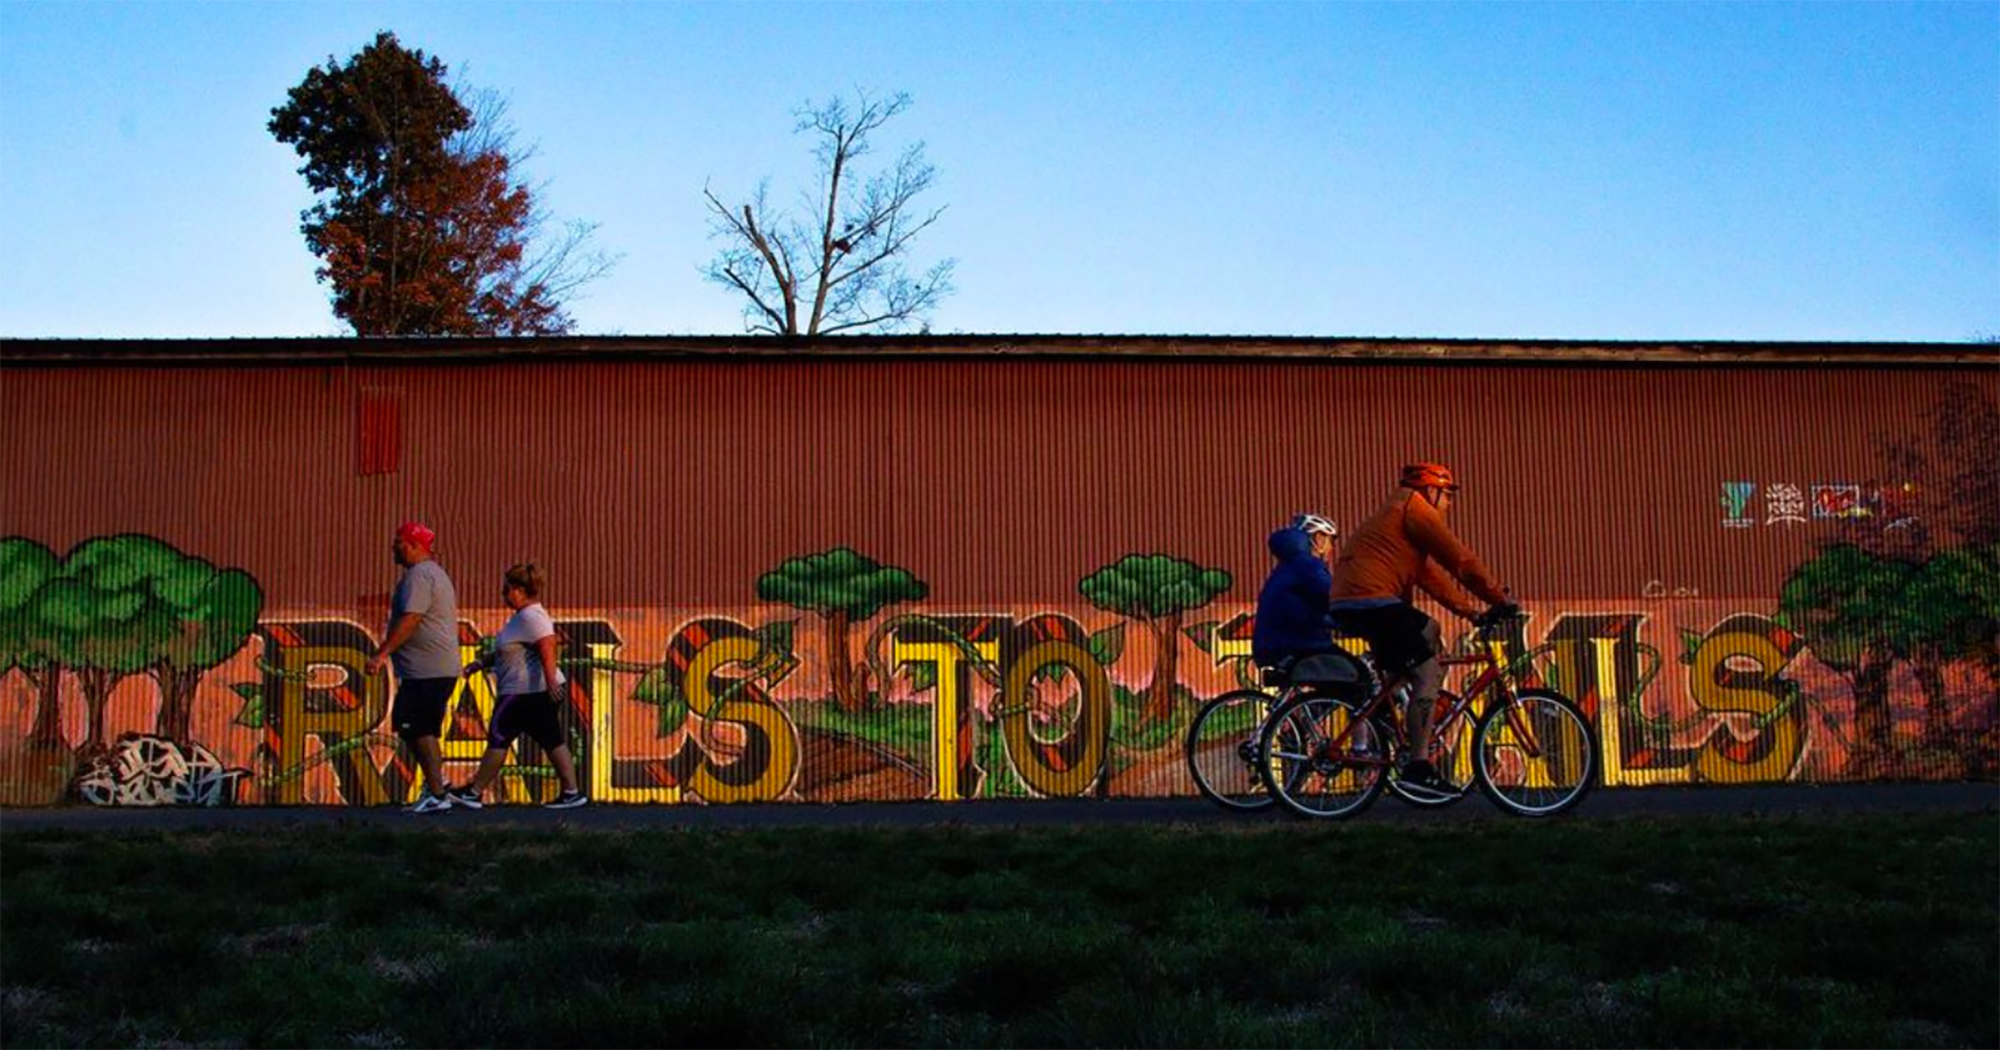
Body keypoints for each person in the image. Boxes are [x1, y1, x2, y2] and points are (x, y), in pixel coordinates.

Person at [1327, 463, 1518, 791]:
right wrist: (1498, 598)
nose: (1449, 503)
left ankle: (1392, 711)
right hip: (1372, 601)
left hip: (1356, 602)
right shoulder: (1414, 509)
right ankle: (1418, 765)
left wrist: (1471, 612)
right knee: (1429, 670)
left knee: (1427, 632)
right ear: (1431, 491)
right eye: (1447, 495)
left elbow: (1432, 578)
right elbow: (1459, 560)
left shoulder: (1396, 520)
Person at [447, 563, 588, 810]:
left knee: (499, 736)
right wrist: (478, 664)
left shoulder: (532, 616)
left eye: (507, 589)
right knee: (550, 739)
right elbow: (509, 650)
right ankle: (572, 792)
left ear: (520, 590)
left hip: (524, 692)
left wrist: (551, 680)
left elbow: (547, 645)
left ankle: (475, 792)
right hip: (526, 691)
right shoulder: (521, 619)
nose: (503, 594)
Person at [364, 521, 461, 814]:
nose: (394, 547)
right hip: (428, 670)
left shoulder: (420, 576)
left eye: (400, 542)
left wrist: (382, 654)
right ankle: (437, 784)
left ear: (416, 546)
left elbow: (412, 619)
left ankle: (437, 793)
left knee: (418, 728)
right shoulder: (430, 574)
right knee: (413, 726)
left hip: (428, 670)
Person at [1251, 512, 1341, 670]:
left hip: (1273, 645)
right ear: (1317, 539)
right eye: (1330, 540)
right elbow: (1331, 596)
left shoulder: (1287, 567)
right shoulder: (1308, 566)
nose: (1331, 547)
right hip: (1299, 645)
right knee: (1359, 675)